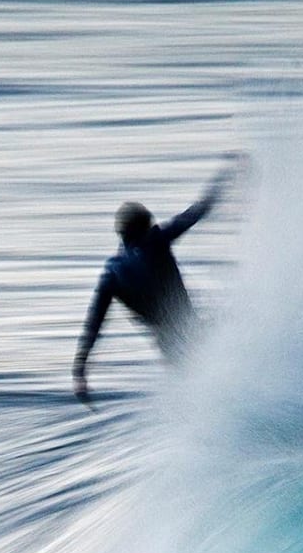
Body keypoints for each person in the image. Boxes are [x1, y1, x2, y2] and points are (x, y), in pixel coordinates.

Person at [72, 166, 238, 407]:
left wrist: (80, 370)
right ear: (146, 229)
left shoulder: (111, 274)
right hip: (194, 330)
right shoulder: (156, 240)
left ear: (121, 234)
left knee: (197, 388)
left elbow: (94, 324)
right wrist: (228, 174)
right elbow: (199, 209)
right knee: (239, 327)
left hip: (169, 345)